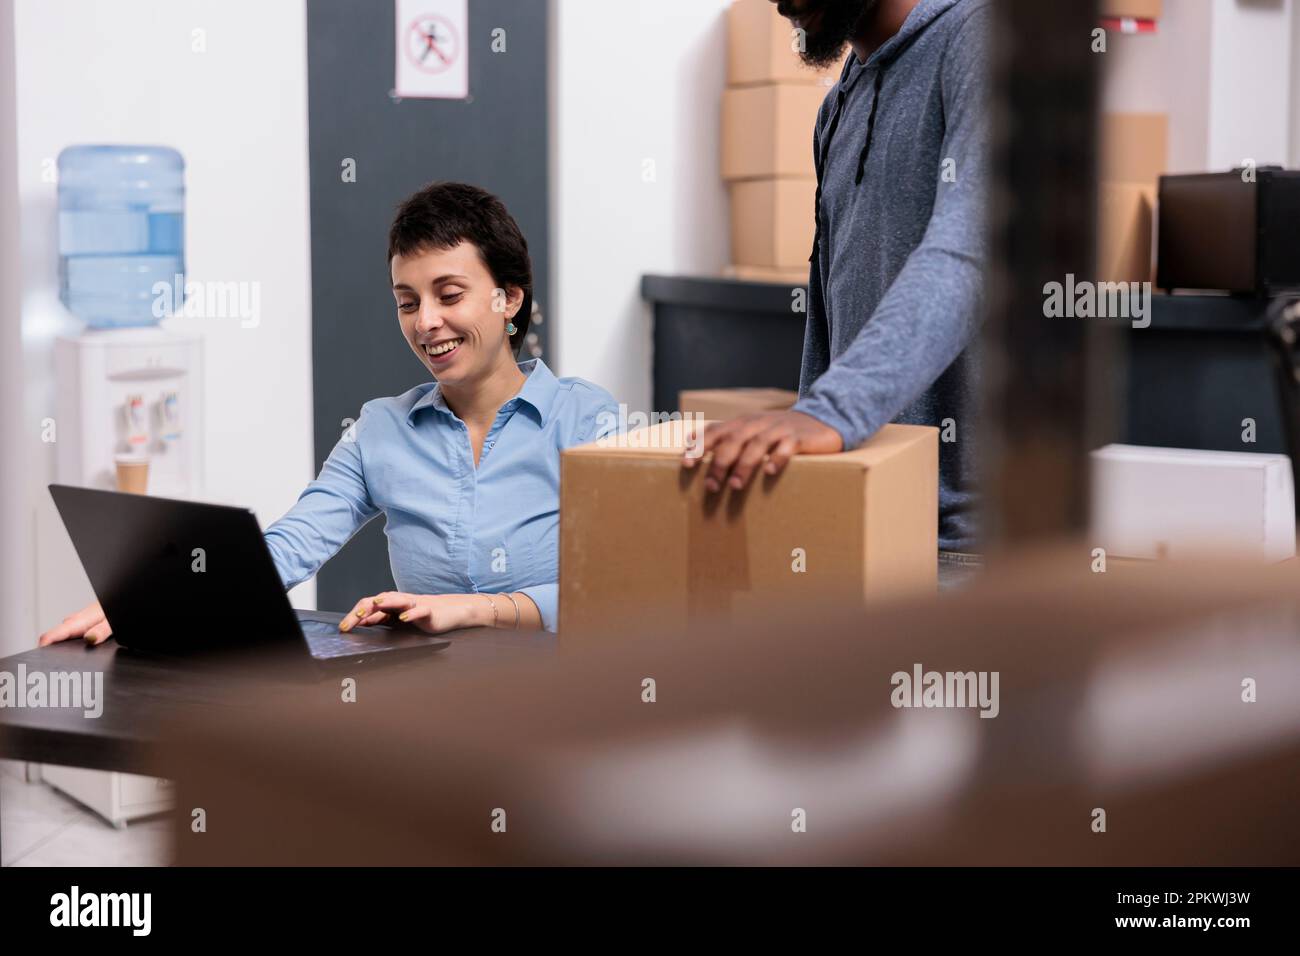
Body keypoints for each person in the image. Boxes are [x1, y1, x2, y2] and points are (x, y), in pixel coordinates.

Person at [40, 182, 617, 645]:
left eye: (448, 294)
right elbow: (291, 544)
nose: (425, 322)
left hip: (560, 707)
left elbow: (624, 589)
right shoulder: (382, 430)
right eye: (407, 302)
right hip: (436, 711)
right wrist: (149, 599)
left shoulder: (585, 420)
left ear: (508, 298)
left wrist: (479, 610)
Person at [684, 0, 990, 586]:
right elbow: (828, 314)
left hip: (975, 553)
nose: (781, 4)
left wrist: (831, 412)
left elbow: (970, 250)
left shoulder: (981, 41)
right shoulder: (836, 107)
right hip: (866, 519)